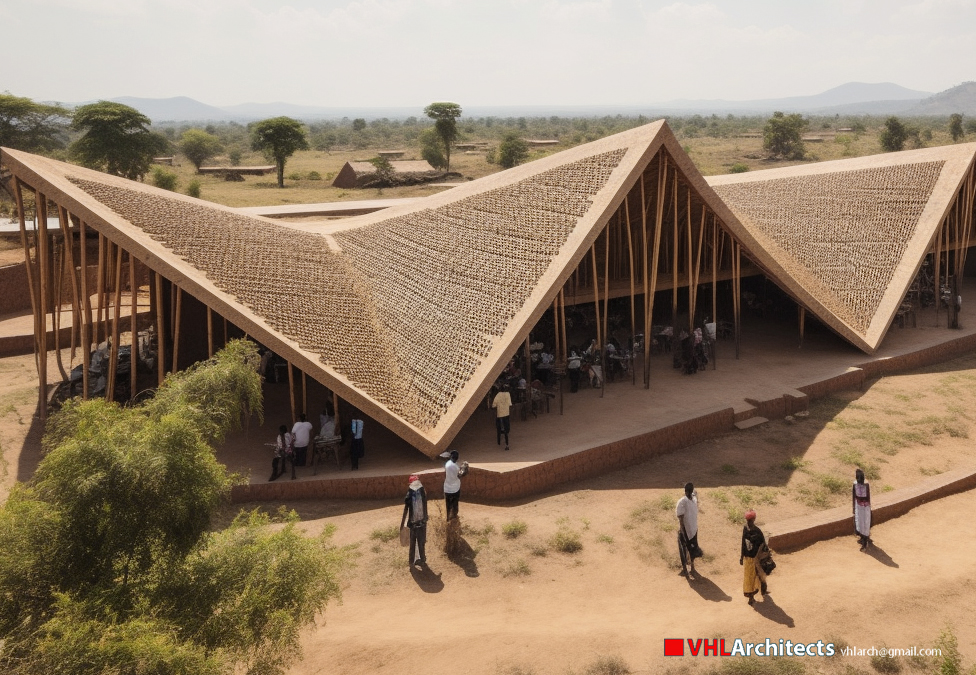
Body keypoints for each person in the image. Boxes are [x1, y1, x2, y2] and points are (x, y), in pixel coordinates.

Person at [740, 510, 769, 605]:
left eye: (750, 520)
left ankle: (763, 590)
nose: (749, 522)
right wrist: (741, 557)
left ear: (754, 519)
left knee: (759, 575)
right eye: (748, 520)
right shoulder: (747, 529)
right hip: (748, 559)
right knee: (750, 578)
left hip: (755, 559)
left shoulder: (757, 531)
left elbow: (763, 546)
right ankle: (751, 597)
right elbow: (743, 543)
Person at [400, 474, 428, 568]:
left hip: (413, 523)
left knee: (412, 542)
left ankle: (411, 561)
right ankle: (422, 559)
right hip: (422, 522)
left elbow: (406, 508)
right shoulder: (423, 491)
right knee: (421, 542)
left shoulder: (410, 493)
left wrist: (402, 524)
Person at [675, 482, 702, 577]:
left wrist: (682, 531)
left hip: (686, 530)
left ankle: (685, 569)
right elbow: (695, 493)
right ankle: (693, 567)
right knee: (693, 547)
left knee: (683, 548)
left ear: (685, 491)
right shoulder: (694, 499)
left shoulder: (682, 502)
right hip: (694, 528)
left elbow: (681, 519)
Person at [853, 468, 872, 550]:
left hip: (862, 507)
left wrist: (854, 507)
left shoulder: (856, 484)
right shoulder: (865, 484)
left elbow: (854, 496)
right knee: (864, 523)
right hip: (864, 507)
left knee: (862, 523)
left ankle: (864, 541)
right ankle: (864, 539)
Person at [492, 384, 512, 450]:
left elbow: (494, 404)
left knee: (499, 428)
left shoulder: (498, 395)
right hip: (506, 413)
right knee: (507, 429)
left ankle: (500, 440)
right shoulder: (508, 394)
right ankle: (507, 444)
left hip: (500, 414)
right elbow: (509, 403)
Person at [444, 450, 462, 519]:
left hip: (447, 488)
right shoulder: (456, 467)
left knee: (448, 504)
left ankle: (448, 517)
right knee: (455, 503)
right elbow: (459, 475)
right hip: (455, 488)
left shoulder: (447, 464)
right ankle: (454, 516)